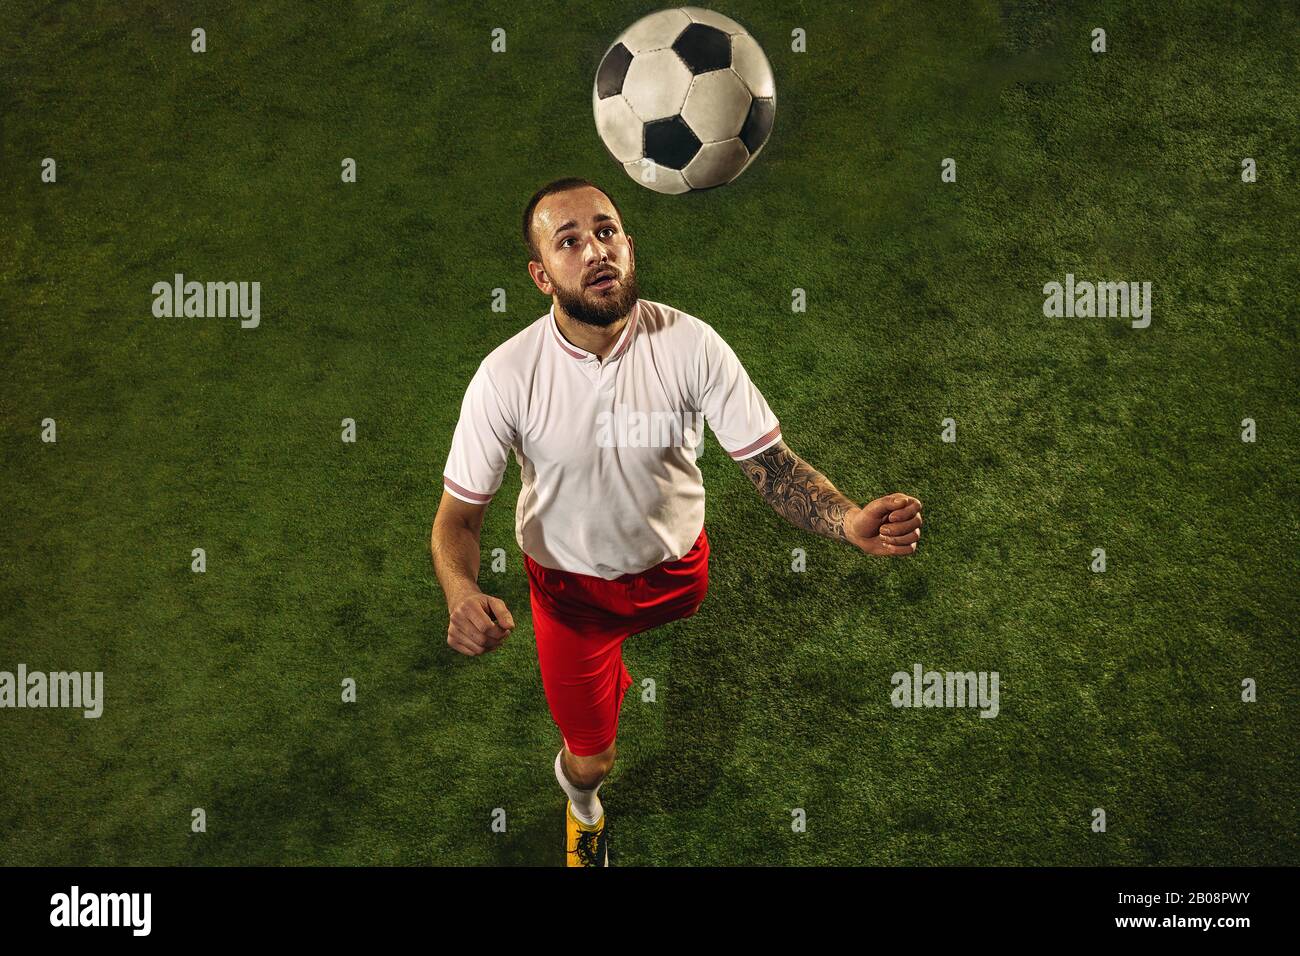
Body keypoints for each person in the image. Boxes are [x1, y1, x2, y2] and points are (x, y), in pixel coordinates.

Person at [431, 177, 924, 866]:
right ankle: (583, 812)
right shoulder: (505, 377)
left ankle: (623, 673)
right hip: (572, 597)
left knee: (690, 615)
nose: (596, 250)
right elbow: (458, 518)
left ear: (629, 245)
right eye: (569, 242)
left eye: (606, 231)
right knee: (593, 759)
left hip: (678, 576)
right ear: (542, 275)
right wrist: (461, 591)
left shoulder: (690, 344)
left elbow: (771, 466)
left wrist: (847, 521)